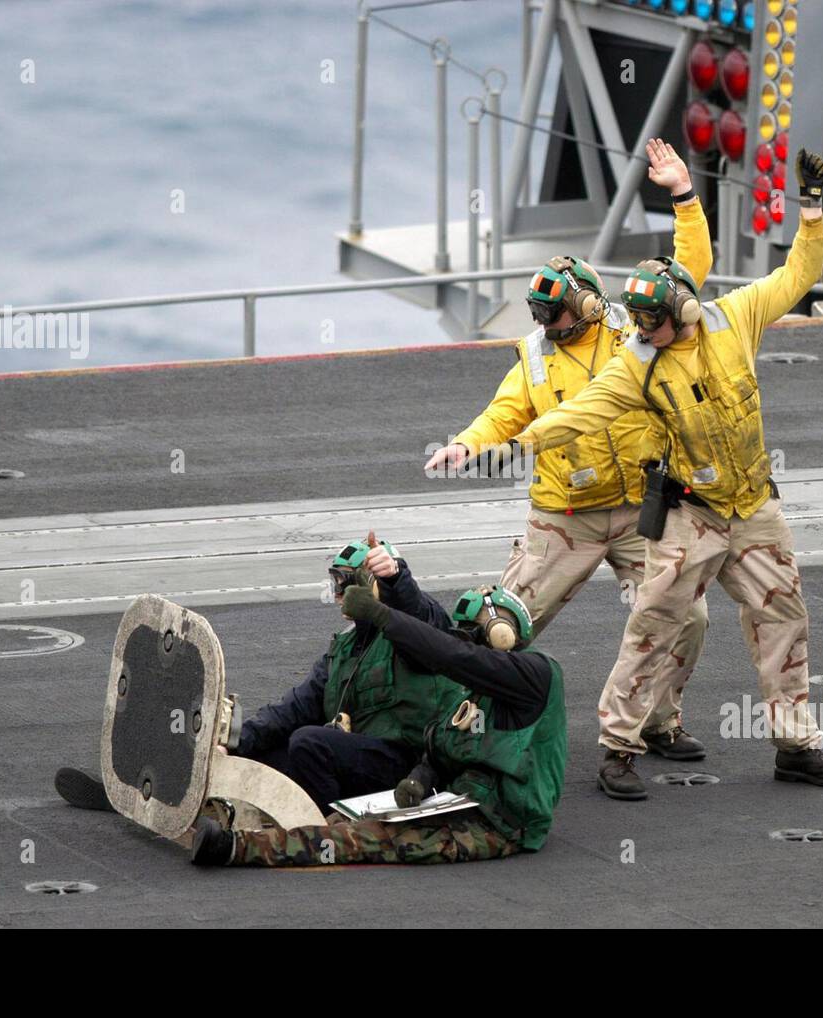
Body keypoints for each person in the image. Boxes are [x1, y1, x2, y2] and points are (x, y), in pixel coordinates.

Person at [496, 149, 823, 795]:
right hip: (692, 513)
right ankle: (618, 747)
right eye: (635, 322)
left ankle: (795, 745)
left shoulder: (736, 317)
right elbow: (582, 412)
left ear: (685, 310)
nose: (640, 332)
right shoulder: (639, 361)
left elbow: (802, 271)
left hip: (752, 508)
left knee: (783, 618)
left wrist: (811, 206)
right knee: (656, 622)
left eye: (651, 321)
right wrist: (522, 440)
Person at [423, 140, 713, 798]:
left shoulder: (629, 331)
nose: (546, 326)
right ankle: (453, 735)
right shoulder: (533, 357)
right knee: (501, 627)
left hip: (641, 510)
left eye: (554, 314)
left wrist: (683, 198)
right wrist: (469, 444)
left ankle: (656, 724)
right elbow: (502, 414)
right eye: (539, 316)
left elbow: (689, 270)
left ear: (585, 301)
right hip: (564, 518)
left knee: (687, 617)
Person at [190, 583, 567, 866]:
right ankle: (235, 818)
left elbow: (453, 656)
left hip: (502, 823)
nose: (467, 641)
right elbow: (440, 743)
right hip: (458, 803)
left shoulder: (537, 675)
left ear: (503, 635)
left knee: (366, 840)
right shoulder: (476, 696)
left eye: (474, 634)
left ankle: (234, 849)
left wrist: (384, 616)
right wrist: (420, 776)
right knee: (340, 817)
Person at [225, 534, 466, 813]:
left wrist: (393, 579)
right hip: (358, 756)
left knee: (308, 743)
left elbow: (422, 618)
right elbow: (295, 707)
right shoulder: (345, 647)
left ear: (371, 586)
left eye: (343, 584)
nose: (337, 596)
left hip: (406, 764)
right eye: (334, 584)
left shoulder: (411, 635)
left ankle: (329, 832)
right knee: (265, 754)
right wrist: (233, 744)